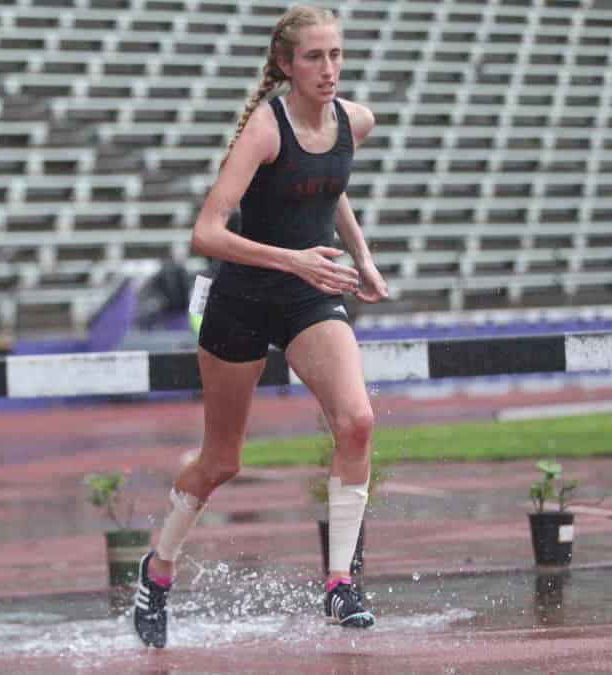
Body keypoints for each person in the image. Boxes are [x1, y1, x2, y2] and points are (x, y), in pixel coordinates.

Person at [133, 5, 388, 648]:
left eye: (335, 55)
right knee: (222, 461)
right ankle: (157, 571)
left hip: (309, 298)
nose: (328, 68)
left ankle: (339, 585)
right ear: (286, 65)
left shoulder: (357, 120)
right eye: (313, 57)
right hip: (242, 297)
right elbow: (206, 232)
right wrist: (292, 258)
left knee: (357, 421)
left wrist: (361, 257)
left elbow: (328, 185)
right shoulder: (264, 130)